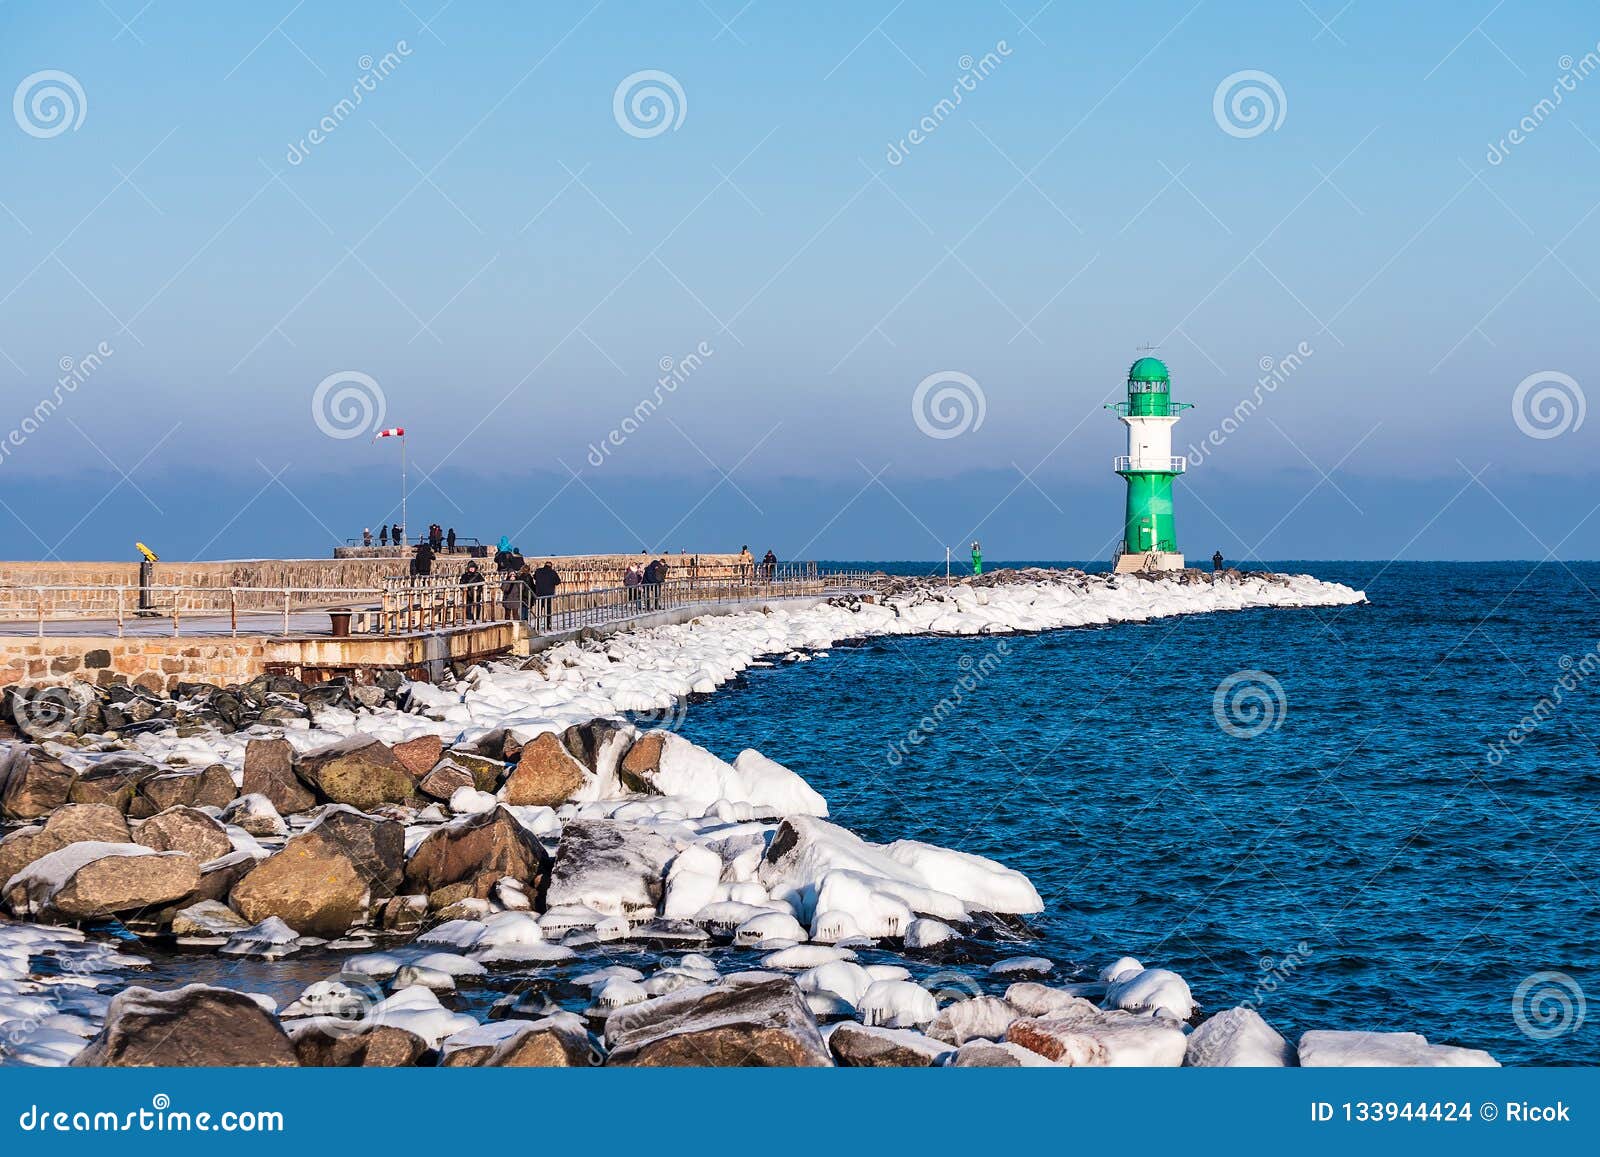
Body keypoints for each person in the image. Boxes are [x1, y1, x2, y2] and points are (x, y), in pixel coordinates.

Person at [532, 560, 560, 630]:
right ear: (551, 566)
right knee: (548, 611)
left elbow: (534, 577)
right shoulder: (553, 572)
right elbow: (558, 582)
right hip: (549, 594)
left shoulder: (538, 571)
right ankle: (548, 625)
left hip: (539, 594)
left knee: (539, 611)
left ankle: (537, 625)